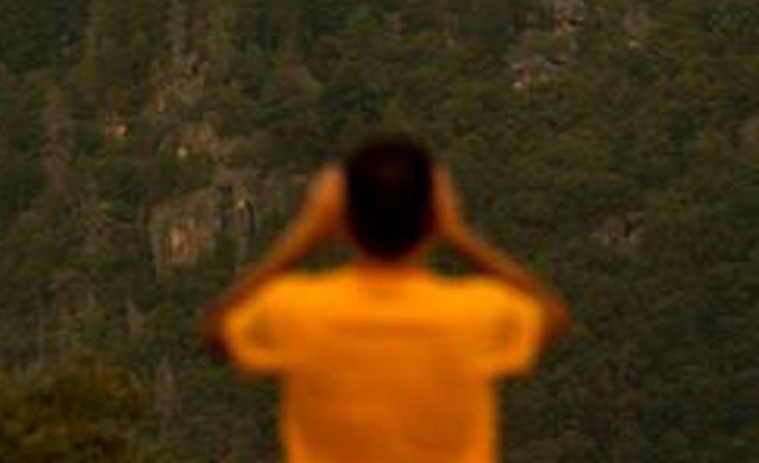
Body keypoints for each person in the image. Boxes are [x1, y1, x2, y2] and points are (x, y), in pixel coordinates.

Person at [199, 136, 570, 462]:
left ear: (345, 222)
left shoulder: (298, 310)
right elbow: (552, 314)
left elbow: (214, 333)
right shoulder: (471, 314)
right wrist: (458, 234)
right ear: (431, 221)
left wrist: (306, 235)